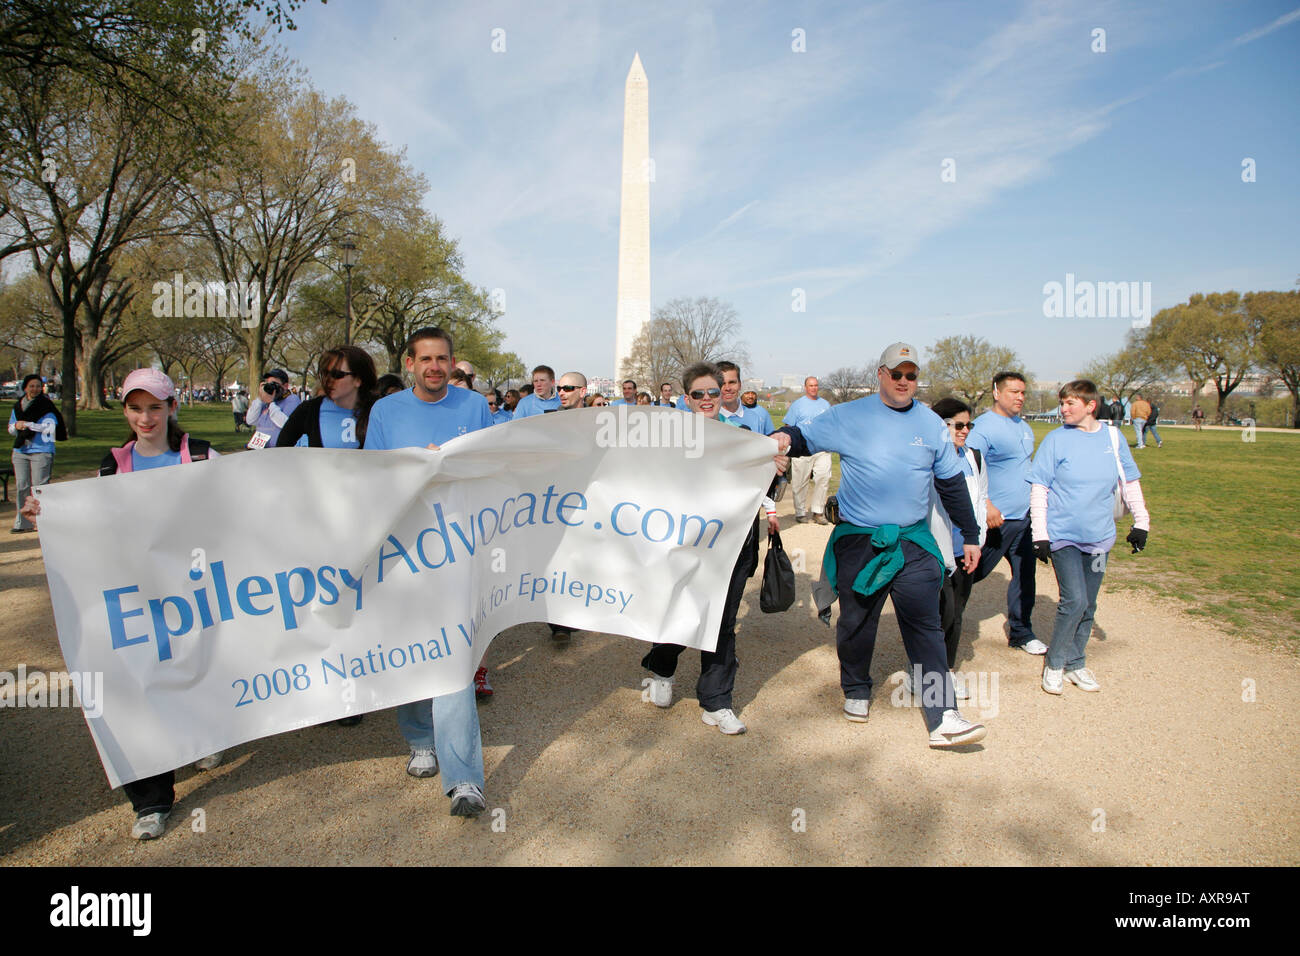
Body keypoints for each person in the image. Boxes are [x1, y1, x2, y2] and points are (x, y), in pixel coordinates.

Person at [20, 368, 223, 839]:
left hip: (200, 594)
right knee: (136, 684)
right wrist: (46, 512)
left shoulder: (201, 456)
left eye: (155, 407)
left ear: (173, 407)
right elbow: (88, 523)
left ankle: (205, 734)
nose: (145, 417)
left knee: (197, 673)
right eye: (135, 407)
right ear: (125, 411)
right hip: (137, 598)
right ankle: (150, 800)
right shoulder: (111, 467)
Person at [773, 343, 987, 748]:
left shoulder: (930, 423)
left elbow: (952, 484)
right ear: (881, 374)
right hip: (861, 540)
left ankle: (944, 716)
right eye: (897, 374)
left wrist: (971, 534)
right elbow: (803, 437)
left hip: (912, 540)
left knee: (927, 624)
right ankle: (855, 687)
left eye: (911, 375)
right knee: (857, 621)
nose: (905, 382)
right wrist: (783, 437)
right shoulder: (850, 415)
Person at [362, 326, 492, 817]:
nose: (435, 367)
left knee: (455, 654)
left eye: (443, 359)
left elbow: (487, 469)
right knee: (413, 650)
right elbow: (372, 477)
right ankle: (420, 738)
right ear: (410, 363)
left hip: (459, 545)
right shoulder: (385, 411)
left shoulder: (474, 407)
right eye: (426, 359)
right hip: (404, 549)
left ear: (452, 363)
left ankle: (465, 781)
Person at [640, 362, 783, 735]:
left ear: (724, 394)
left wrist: (775, 473)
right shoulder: (670, 437)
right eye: (698, 394)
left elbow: (766, 491)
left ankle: (717, 702)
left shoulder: (746, 436)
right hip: (686, 542)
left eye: (713, 392)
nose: (707, 399)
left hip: (734, 545)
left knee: (722, 620)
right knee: (682, 609)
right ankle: (662, 665)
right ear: (687, 398)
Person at [1029, 380, 1150, 695]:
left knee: (1089, 604)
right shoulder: (1055, 440)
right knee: (1075, 600)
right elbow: (1039, 487)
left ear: (1090, 405)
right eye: (1062, 403)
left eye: (1070, 403)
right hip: (1063, 536)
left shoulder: (1113, 437)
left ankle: (1076, 662)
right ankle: (1054, 665)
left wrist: (1142, 522)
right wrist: (1040, 534)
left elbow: (1130, 481)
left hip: (1099, 539)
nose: (1063, 409)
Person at [966, 371, 1046, 655]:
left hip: (1024, 518)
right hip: (995, 520)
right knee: (970, 575)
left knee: (1026, 576)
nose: (1020, 397)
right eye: (1014, 392)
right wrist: (986, 505)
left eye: (1023, 392)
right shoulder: (983, 428)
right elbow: (969, 468)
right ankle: (937, 627)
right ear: (997, 393)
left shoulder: (1023, 426)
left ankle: (1022, 632)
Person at [919, 397, 988, 700]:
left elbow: (981, 498)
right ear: (941, 425)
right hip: (935, 548)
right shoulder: (927, 458)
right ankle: (922, 672)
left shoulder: (974, 458)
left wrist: (979, 538)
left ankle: (945, 671)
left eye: (968, 425)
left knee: (956, 613)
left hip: (965, 549)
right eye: (958, 425)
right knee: (935, 614)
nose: (964, 431)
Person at [9, 374, 64, 534]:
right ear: (25, 387)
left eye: (38, 386)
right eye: (32, 386)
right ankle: (23, 522)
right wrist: (17, 427)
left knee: (40, 487)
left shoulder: (46, 406)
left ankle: (44, 521)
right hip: (21, 450)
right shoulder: (18, 406)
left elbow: (49, 427)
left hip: (42, 450)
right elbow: (11, 428)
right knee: (22, 486)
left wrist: (28, 425)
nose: (35, 389)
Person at [785, 376, 832, 524]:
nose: (814, 388)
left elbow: (831, 425)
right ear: (806, 387)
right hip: (802, 447)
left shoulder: (825, 405)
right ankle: (800, 512)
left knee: (823, 477)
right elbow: (788, 426)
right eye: (811, 385)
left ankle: (818, 511)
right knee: (800, 481)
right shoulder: (798, 405)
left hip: (821, 447)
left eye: (816, 385)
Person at [244, 369, 301, 450]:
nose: (271, 387)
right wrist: (260, 399)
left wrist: (271, 403)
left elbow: (286, 425)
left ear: (285, 386)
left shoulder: (292, 400)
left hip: (277, 452)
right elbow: (250, 420)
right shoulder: (264, 401)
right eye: (268, 383)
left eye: (274, 384)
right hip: (258, 450)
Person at [717, 361, 773, 435]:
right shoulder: (707, 418)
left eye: (732, 382)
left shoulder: (755, 418)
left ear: (740, 385)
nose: (727, 388)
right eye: (722, 383)